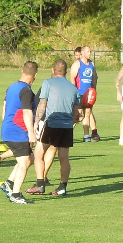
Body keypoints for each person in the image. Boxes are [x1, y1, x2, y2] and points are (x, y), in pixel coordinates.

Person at [28, 59, 79, 196]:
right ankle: (62, 187)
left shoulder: (48, 83)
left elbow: (42, 104)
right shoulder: (73, 88)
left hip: (51, 123)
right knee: (64, 158)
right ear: (66, 72)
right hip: (67, 126)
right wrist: (75, 119)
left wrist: (35, 122)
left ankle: (40, 183)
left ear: (53, 70)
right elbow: (77, 114)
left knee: (38, 153)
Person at [0, 61, 39, 204]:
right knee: (25, 161)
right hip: (18, 130)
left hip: (8, 128)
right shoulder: (26, 91)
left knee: (30, 158)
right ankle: (15, 194)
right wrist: (31, 133)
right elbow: (27, 112)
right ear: (35, 75)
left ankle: (9, 184)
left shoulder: (12, 87)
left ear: (22, 71)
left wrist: (5, 124)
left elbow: (4, 107)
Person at [69, 45, 99, 141]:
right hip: (79, 93)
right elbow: (72, 78)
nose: (90, 53)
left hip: (89, 94)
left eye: (90, 52)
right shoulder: (77, 64)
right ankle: (67, 133)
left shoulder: (92, 64)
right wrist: (74, 93)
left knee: (88, 113)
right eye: (88, 52)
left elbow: (94, 78)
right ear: (83, 53)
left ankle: (86, 136)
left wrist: (94, 90)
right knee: (77, 114)